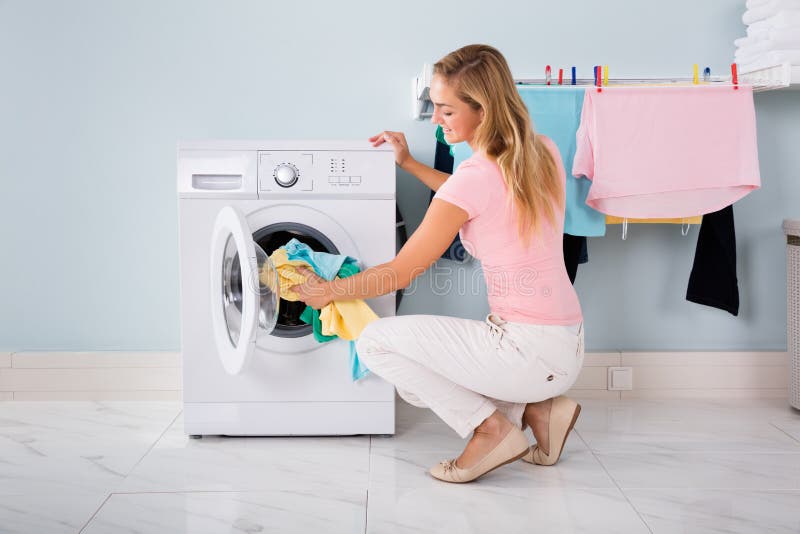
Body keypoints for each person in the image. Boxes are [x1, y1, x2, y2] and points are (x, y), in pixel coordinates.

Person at [291, 44, 584, 484]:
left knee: (375, 343)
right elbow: (476, 194)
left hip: (526, 349)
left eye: (446, 110)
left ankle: (491, 429)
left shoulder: (476, 178)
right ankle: (539, 409)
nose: (435, 120)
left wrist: (330, 290)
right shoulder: (540, 152)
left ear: (482, 110)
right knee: (440, 357)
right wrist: (409, 164)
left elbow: (402, 270)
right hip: (567, 343)